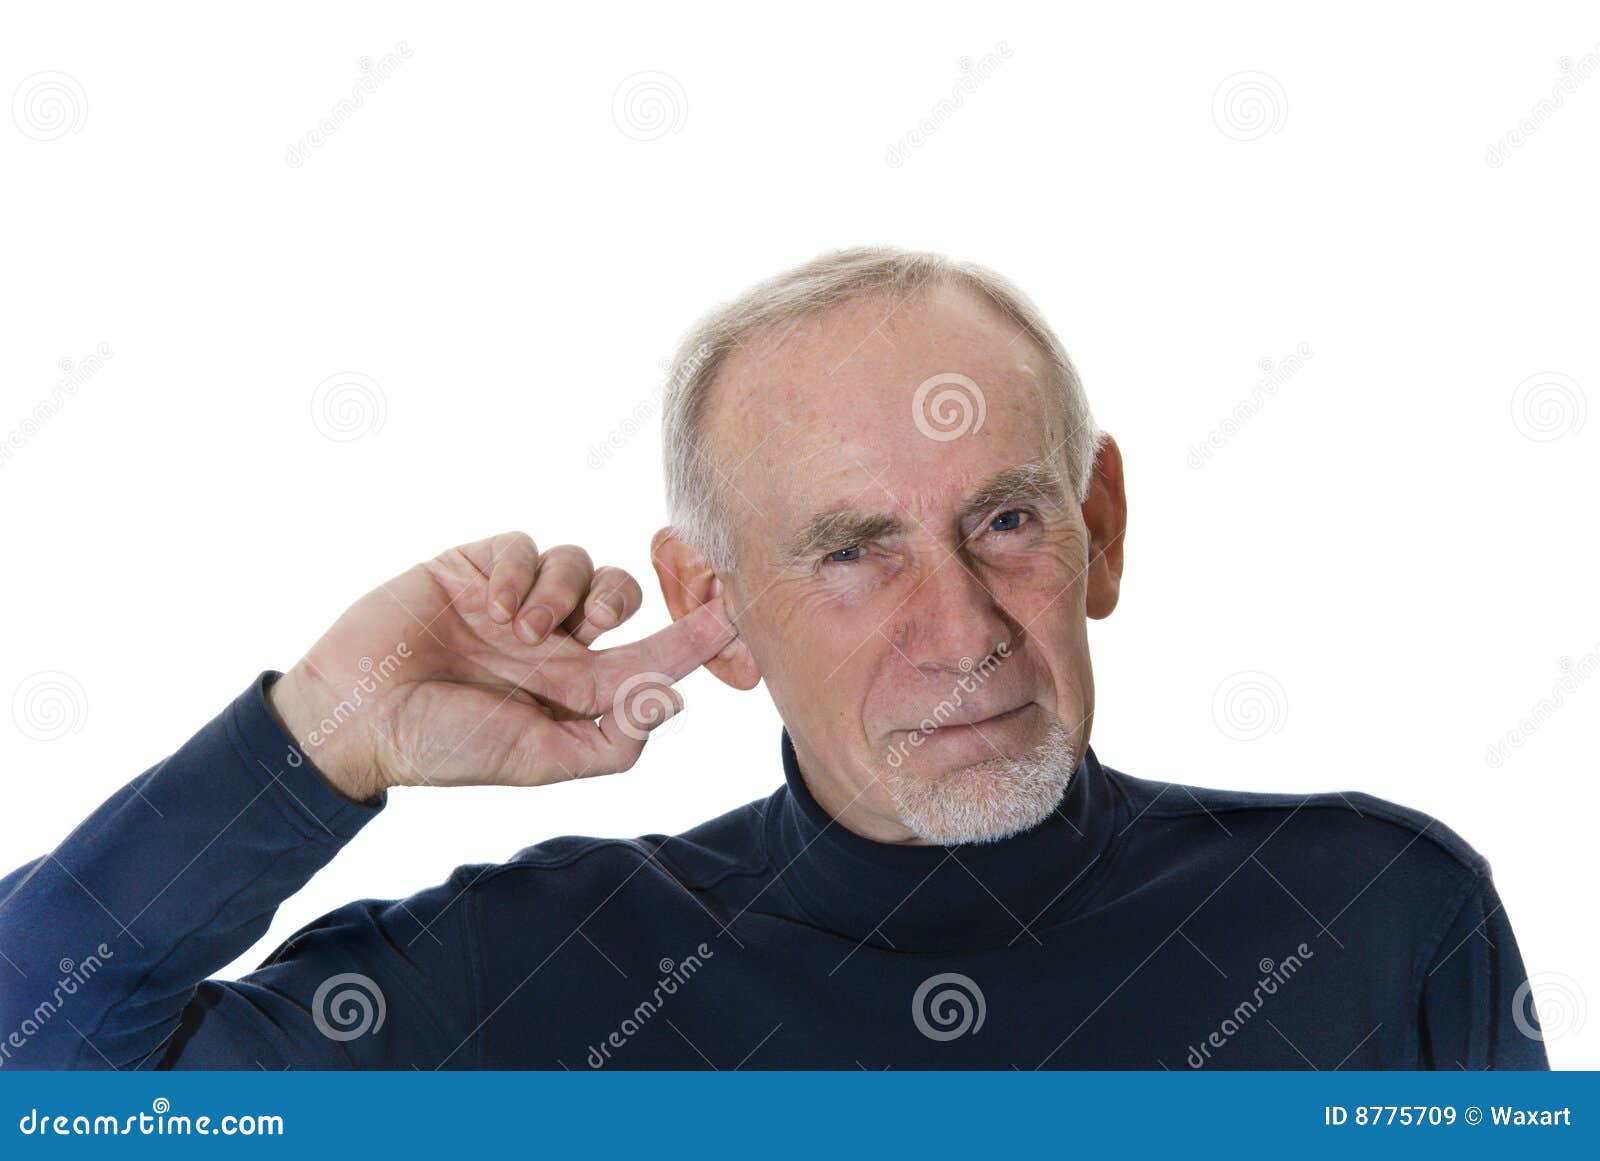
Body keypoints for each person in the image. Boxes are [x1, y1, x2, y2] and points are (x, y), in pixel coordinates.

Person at [0, 247, 1548, 1069]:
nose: (961, 633)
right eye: (853, 548)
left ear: (1103, 529)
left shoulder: (1375, 918)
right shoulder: (516, 990)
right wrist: (318, 735)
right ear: (715, 603)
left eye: (1005, 519)